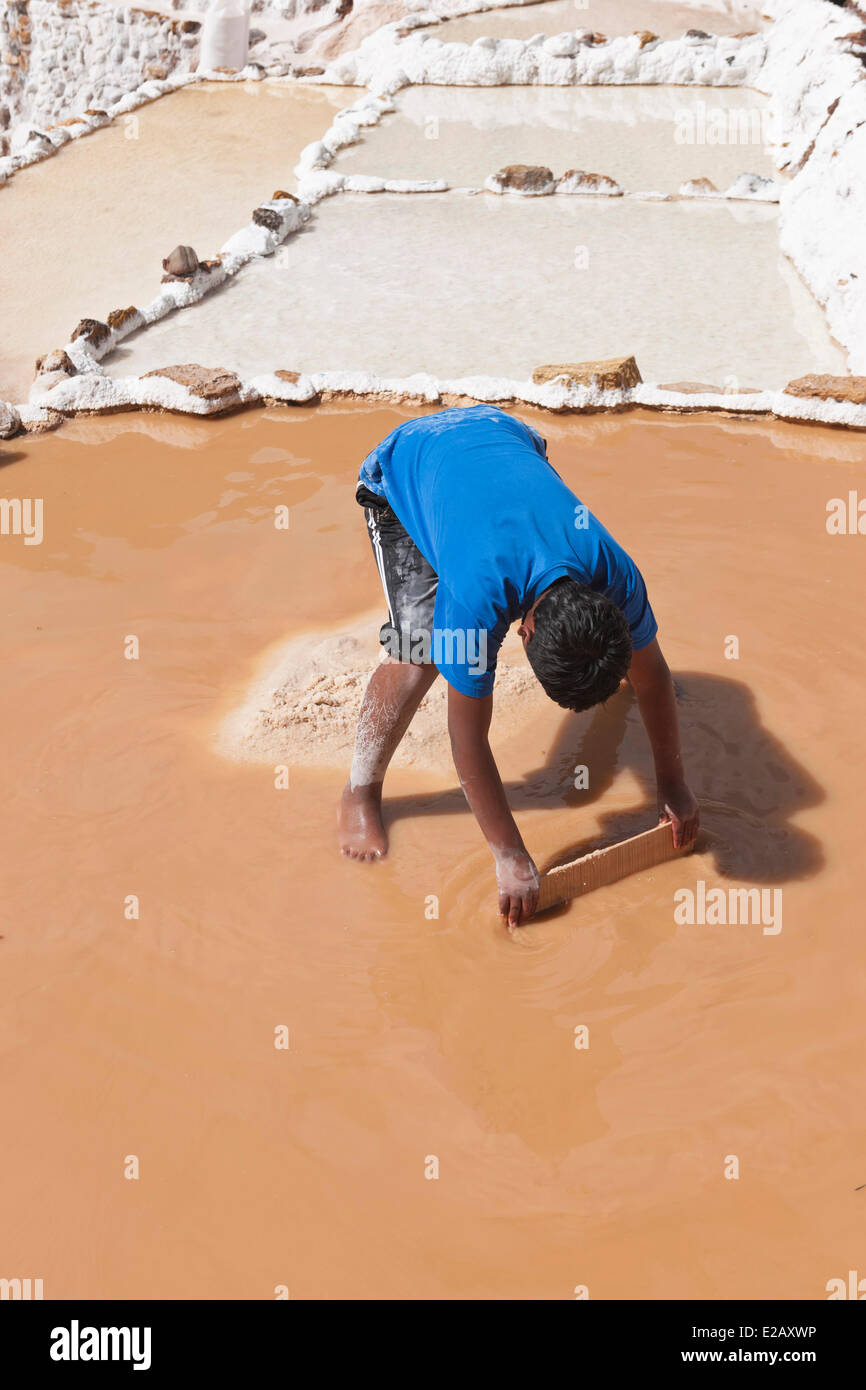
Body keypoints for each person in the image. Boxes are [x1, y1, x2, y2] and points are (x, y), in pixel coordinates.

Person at [338, 404, 699, 925]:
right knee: (420, 658)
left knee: (636, 667)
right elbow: (468, 743)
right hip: (403, 468)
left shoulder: (615, 572)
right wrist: (509, 856)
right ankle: (359, 790)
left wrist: (673, 785)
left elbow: (654, 675)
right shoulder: (475, 605)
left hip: (502, 433)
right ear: (522, 634)